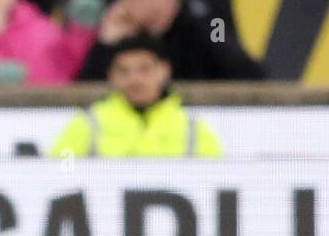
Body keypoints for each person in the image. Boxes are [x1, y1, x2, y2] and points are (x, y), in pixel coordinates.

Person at [77, 0, 264, 81]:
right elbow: (83, 91)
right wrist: (105, 45)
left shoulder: (206, 31)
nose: (121, 3)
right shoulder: (124, 35)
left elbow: (251, 76)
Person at [51, 32, 222, 157]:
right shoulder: (89, 123)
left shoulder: (191, 128)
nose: (134, 79)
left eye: (144, 69)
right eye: (123, 71)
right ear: (111, 76)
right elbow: (60, 172)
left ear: (164, 70)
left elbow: (215, 177)